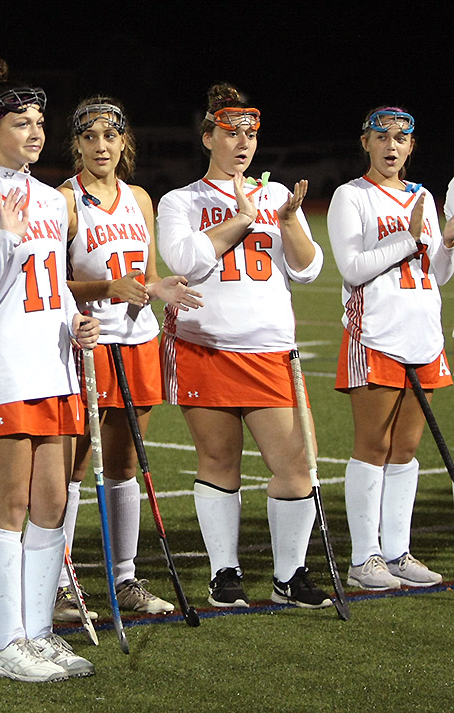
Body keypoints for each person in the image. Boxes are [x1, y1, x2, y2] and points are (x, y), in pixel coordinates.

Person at [0, 58, 100, 682]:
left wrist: (77, 320)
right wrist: (6, 242)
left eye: (39, 122)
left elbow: (55, 284)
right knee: (7, 507)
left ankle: (38, 633)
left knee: (51, 503)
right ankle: (2, 644)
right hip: (2, 368)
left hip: (54, 364)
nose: (35, 132)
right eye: (20, 123)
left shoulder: (51, 199)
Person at [157, 83, 332, 610]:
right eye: (231, 133)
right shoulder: (181, 200)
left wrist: (283, 222)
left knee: (295, 465)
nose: (242, 144)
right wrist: (240, 219)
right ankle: (223, 572)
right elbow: (184, 260)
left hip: (269, 350)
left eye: (250, 135)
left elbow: (308, 267)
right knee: (218, 460)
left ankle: (290, 574)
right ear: (208, 136)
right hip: (204, 347)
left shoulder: (276, 195)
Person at [55, 97, 201, 620]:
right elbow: (50, 282)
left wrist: (161, 288)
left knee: (123, 465)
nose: (101, 147)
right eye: (90, 137)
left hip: (137, 345)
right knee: (72, 467)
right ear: (77, 144)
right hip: (89, 346)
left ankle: (125, 580)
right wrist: (107, 288)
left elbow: (149, 270)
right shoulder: (65, 201)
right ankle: (58, 581)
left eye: (109, 137)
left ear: (123, 142)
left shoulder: (139, 197)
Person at [328, 107, 454, 590]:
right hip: (375, 335)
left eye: (401, 138)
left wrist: (446, 242)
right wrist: (407, 235)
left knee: (404, 450)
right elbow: (353, 268)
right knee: (373, 446)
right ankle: (365, 559)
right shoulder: (351, 196)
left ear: (412, 146)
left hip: (422, 334)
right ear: (366, 142)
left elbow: (435, 273)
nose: (392, 145)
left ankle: (398, 552)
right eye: (382, 137)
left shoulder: (421, 194)